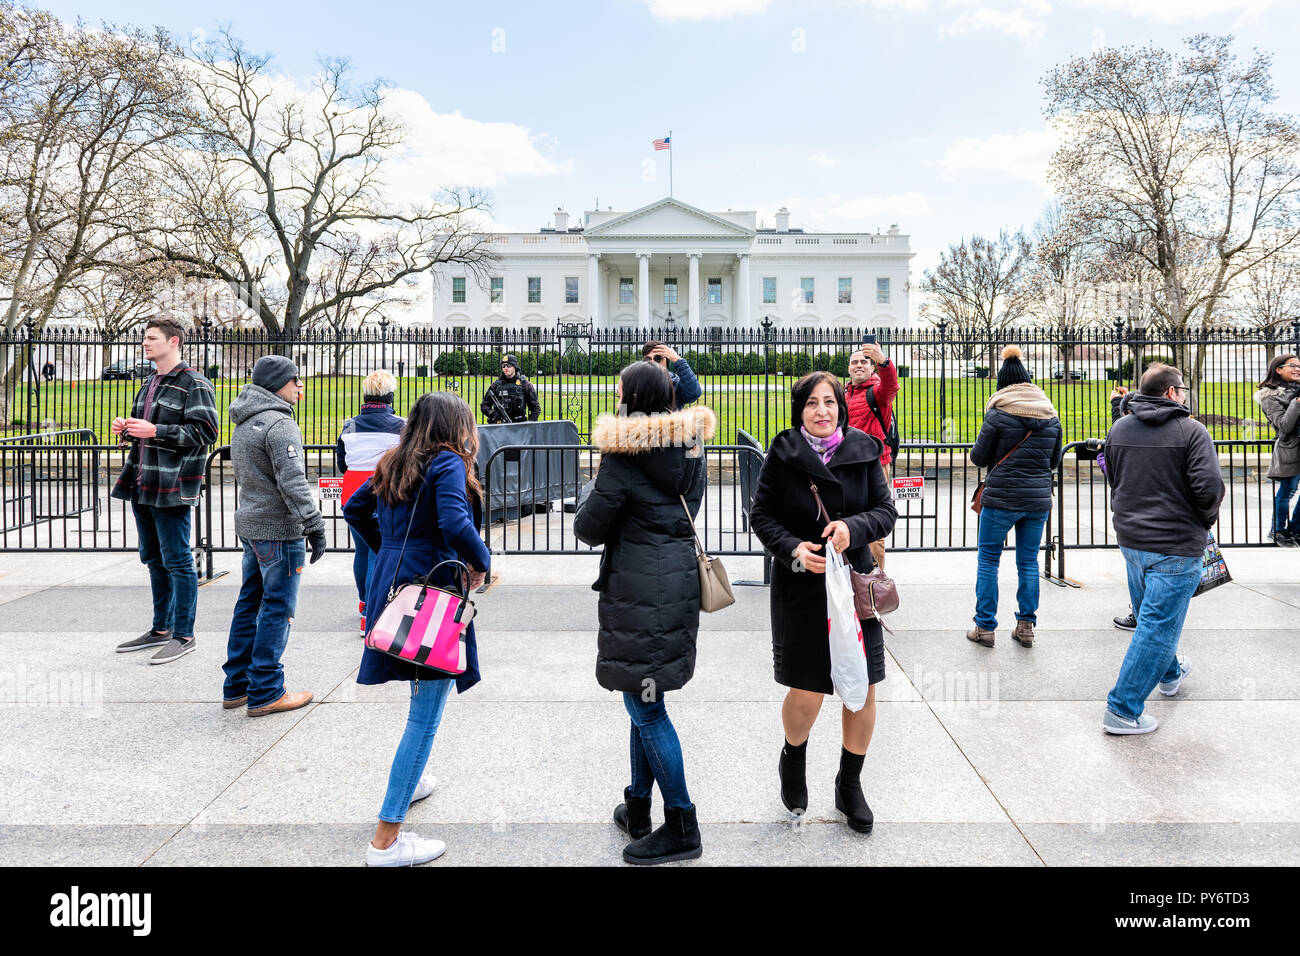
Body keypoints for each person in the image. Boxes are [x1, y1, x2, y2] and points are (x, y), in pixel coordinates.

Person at [574, 362, 713, 865]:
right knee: (642, 697)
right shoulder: (690, 446)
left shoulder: (623, 456)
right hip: (673, 582)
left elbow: (589, 527)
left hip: (639, 588)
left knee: (647, 708)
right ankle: (638, 805)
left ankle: (681, 823)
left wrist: (593, 489)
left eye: (619, 392)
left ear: (632, 397)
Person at [344, 392, 491, 866]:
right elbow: (453, 518)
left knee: (421, 687)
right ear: (452, 426)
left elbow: (353, 509)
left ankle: (411, 779)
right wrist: (482, 561)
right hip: (432, 587)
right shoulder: (447, 463)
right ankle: (385, 840)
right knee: (426, 711)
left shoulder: (394, 459)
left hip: (394, 582)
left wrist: (388, 552)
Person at [748, 371, 897, 834]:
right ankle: (794, 756)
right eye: (812, 403)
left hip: (853, 586)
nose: (822, 411)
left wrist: (854, 528)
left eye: (829, 402)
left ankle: (849, 784)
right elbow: (762, 515)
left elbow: (886, 511)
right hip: (801, 588)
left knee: (862, 687)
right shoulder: (783, 454)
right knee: (808, 688)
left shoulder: (863, 450)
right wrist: (793, 548)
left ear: (840, 406)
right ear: (800, 410)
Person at [1102, 364, 1225, 735]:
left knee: (1151, 616)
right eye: (1183, 388)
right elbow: (1210, 488)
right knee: (1157, 626)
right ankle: (1122, 710)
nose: (1185, 394)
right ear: (1172, 392)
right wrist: (1202, 521)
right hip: (1174, 543)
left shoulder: (1120, 426)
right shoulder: (1191, 431)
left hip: (1132, 539)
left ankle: (1170, 674)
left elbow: (1113, 473)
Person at [110, 317, 219, 664]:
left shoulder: (195, 383)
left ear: (174, 342)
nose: (145, 342)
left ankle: (184, 634)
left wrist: (155, 430)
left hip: (172, 486)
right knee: (153, 559)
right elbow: (143, 430)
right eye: (144, 337)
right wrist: (126, 429)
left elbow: (205, 434)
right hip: (142, 483)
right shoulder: (149, 382)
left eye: (152, 337)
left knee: (178, 561)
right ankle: (161, 628)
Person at [221, 356, 326, 716]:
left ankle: (236, 685)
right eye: (295, 380)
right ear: (278, 384)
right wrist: (314, 524)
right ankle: (266, 689)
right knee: (277, 608)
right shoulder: (280, 425)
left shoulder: (244, 420)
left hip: (252, 527)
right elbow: (293, 481)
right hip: (279, 532)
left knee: (249, 603)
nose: (300, 386)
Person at [966, 346, 1064, 649]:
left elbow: (978, 457)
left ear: (1003, 385)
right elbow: (1054, 462)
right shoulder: (1051, 416)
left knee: (988, 561)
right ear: (1028, 380)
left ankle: (984, 628)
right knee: (1028, 563)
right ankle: (1025, 626)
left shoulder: (997, 415)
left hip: (1000, 500)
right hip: (1036, 502)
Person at [336, 370, 406, 631]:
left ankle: (365, 602)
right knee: (382, 548)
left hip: (352, 488)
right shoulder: (400, 424)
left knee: (362, 550)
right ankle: (375, 611)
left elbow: (342, 462)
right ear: (390, 396)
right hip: (383, 486)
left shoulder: (349, 424)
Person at [843, 342, 899, 571]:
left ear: (872, 368)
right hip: (845, 467)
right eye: (854, 362)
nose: (859, 365)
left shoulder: (877, 392)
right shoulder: (845, 394)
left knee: (874, 526)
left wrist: (884, 362)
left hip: (873, 467)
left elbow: (891, 386)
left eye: (864, 362)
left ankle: (874, 582)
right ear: (848, 368)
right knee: (848, 521)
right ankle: (853, 575)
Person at [1254, 354, 1300, 547]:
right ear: (1278, 369)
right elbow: (1284, 426)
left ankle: (1296, 530)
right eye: (1292, 366)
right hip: (1290, 448)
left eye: (1299, 366)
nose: (1297, 369)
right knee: (1287, 491)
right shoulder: (1270, 396)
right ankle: (1277, 530)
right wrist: (1297, 403)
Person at [1109, 385, 1139, 631]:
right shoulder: (1183, 428)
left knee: (1138, 567)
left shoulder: (1124, 432)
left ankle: (1140, 614)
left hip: (1133, 514)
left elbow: (1118, 436)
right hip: (1173, 518)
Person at [481, 354, 540, 424]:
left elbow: (535, 408)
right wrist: (492, 414)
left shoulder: (525, 385)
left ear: (514, 367)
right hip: (499, 427)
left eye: (509, 366)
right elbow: (484, 405)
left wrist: (528, 425)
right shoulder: (496, 385)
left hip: (519, 426)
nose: (506, 368)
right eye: (503, 366)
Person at [642, 341, 702, 409]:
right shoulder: (636, 383)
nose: (652, 363)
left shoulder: (675, 383)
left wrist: (677, 359)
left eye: (658, 359)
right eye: (647, 359)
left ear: (667, 363)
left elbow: (694, 393)